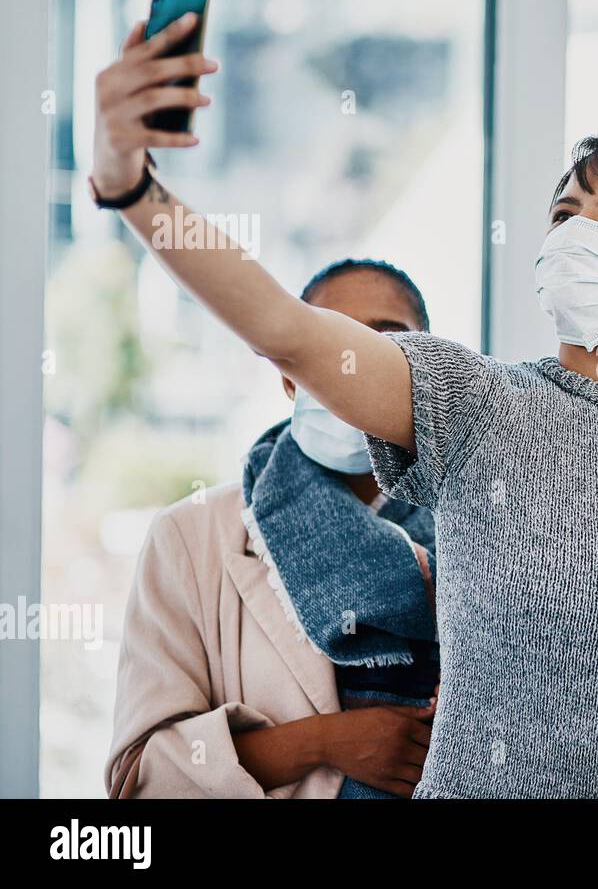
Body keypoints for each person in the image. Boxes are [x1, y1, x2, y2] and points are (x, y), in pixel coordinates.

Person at [90, 13, 598, 799]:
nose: (577, 231)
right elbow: (284, 326)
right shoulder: (476, 405)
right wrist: (131, 186)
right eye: (564, 213)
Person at [107, 258, 440, 799]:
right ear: (289, 374)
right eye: (325, 340)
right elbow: (140, 778)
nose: (352, 363)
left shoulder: (485, 529)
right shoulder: (190, 539)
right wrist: (325, 743)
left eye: (385, 341)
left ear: (429, 368)